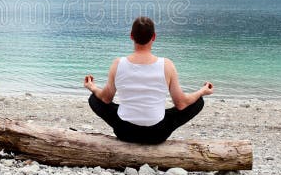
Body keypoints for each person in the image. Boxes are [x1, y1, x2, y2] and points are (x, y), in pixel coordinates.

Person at [84, 16, 214, 144]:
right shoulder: (167, 65)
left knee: (93, 99)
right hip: (157, 133)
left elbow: (106, 98)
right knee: (198, 102)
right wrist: (201, 92)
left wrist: (92, 87)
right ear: (154, 37)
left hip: (125, 131)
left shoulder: (118, 64)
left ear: (131, 36)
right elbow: (181, 103)